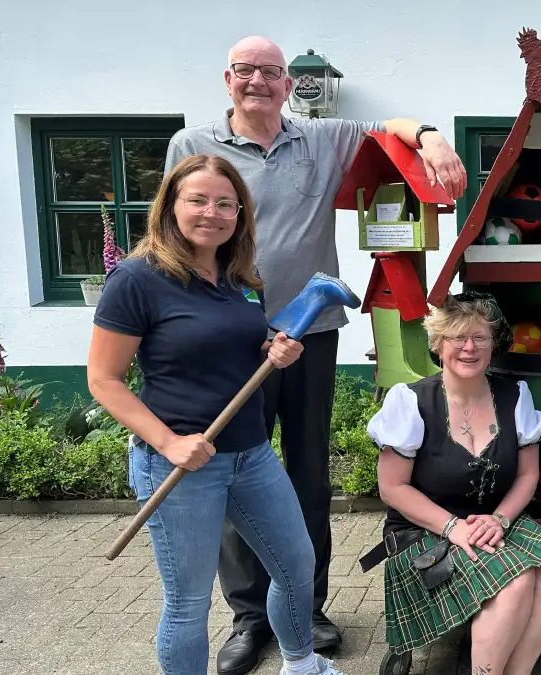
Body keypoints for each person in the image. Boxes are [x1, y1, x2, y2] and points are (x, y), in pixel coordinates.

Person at [163, 36, 466, 673]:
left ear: (286, 85)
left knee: (305, 472)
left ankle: (305, 605)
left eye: (271, 73)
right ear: (228, 80)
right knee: (230, 470)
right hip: (229, 336)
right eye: (246, 72)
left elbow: (393, 128)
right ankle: (249, 617)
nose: (259, 83)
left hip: (310, 335)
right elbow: (174, 231)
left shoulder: (322, 138)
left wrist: (433, 136)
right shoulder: (192, 146)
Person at [87, 153, 349, 675]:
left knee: (296, 565)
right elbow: (103, 380)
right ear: (170, 207)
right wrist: (168, 442)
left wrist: (273, 352)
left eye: (226, 203)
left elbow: (231, 353)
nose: (213, 212)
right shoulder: (138, 279)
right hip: (179, 464)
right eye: (199, 200)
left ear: (240, 214)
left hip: (249, 453)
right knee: (188, 601)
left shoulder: (239, 278)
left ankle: (301, 665)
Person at [362, 291, 541, 675]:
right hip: (424, 531)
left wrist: (500, 520)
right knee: (517, 581)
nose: (469, 347)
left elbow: (528, 475)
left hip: (491, 522)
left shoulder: (515, 396)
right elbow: (393, 489)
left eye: (480, 337)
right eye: (457, 337)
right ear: (439, 345)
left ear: (493, 346)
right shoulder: (410, 402)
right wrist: (453, 527)